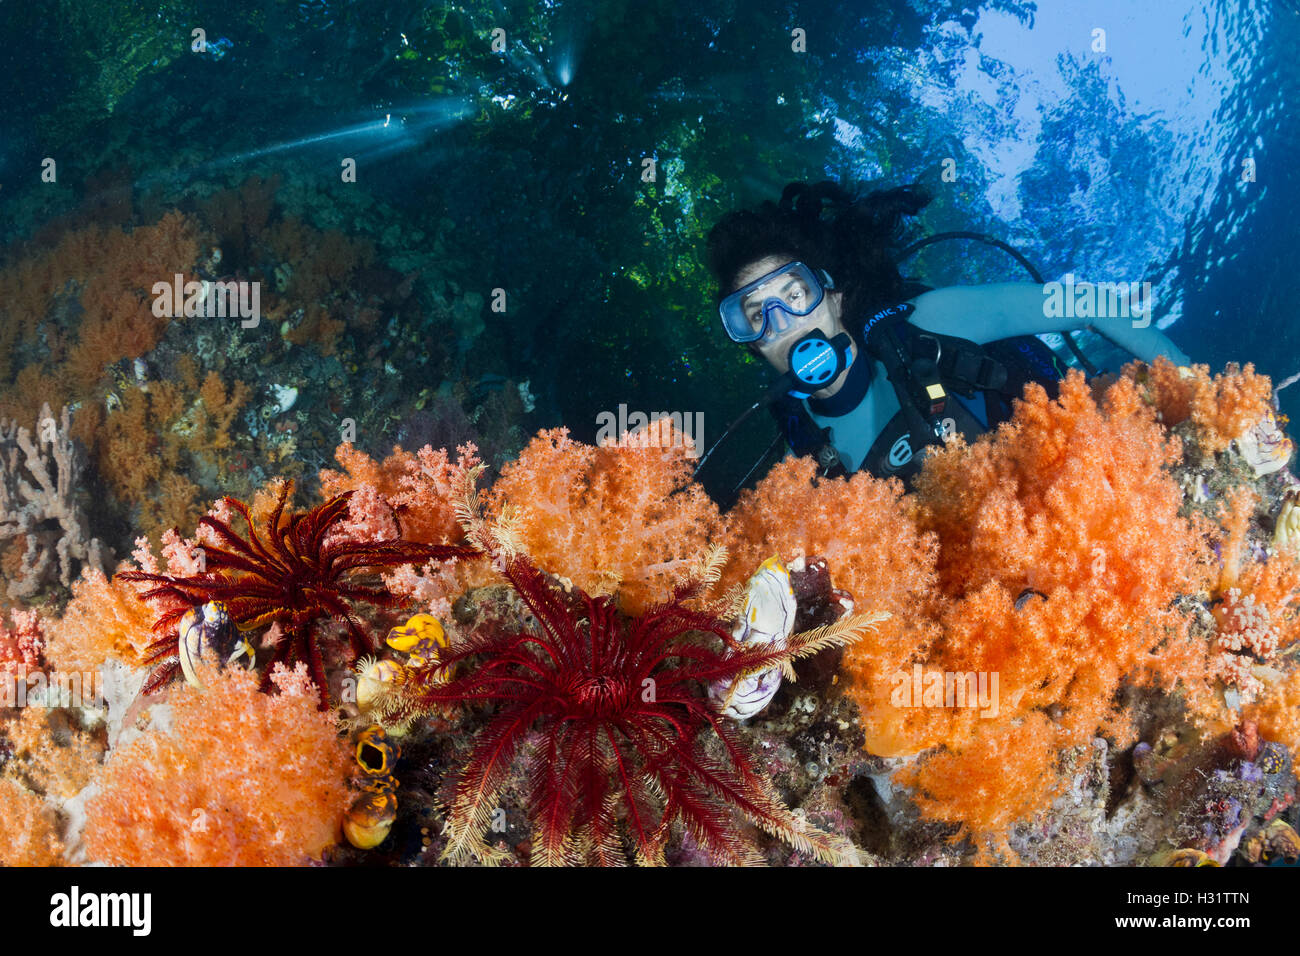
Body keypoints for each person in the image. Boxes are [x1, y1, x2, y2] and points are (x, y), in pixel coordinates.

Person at [705, 180, 1192, 482]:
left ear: (832, 296)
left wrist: (1200, 393)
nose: (784, 323)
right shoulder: (801, 444)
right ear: (753, 346)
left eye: (794, 295)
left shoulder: (927, 322)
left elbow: (1089, 303)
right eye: (755, 317)